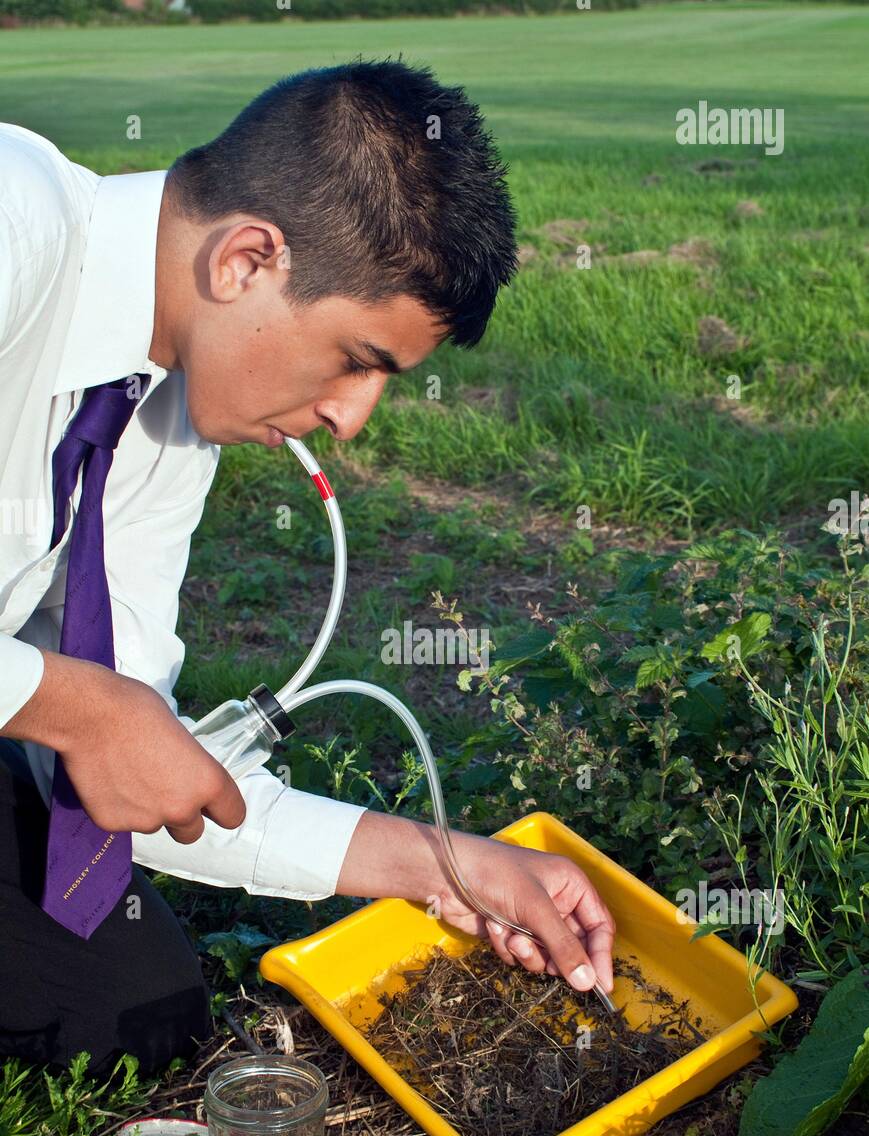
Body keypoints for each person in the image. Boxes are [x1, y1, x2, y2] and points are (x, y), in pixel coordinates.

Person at [0, 59, 615, 1080]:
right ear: (246, 259)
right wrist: (75, 705)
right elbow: (98, 723)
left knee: (125, 1007)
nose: (350, 418)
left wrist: (443, 866)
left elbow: (136, 768)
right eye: (355, 360)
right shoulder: (13, 220)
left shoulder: (164, 425)